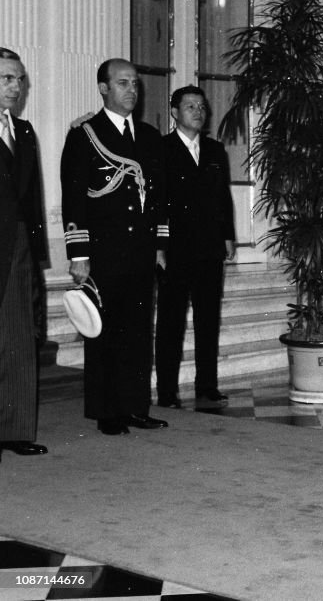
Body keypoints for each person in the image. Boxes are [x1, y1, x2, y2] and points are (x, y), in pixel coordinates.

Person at [60, 58, 169, 435]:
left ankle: (135, 406)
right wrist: (79, 254)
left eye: (135, 84)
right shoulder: (84, 134)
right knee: (104, 331)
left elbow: (159, 197)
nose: (132, 90)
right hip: (103, 250)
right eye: (123, 83)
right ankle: (107, 411)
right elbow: (74, 198)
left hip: (140, 250)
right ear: (103, 89)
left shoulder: (150, 136)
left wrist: (159, 245)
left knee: (138, 330)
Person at [155, 86, 236, 410]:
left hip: (209, 250)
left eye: (201, 106)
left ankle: (207, 386)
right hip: (174, 250)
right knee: (171, 322)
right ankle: (167, 392)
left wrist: (227, 236)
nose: (198, 112)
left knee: (208, 320)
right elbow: (157, 201)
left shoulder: (216, 151)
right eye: (190, 106)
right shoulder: (161, 149)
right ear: (174, 112)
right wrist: (158, 245)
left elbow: (223, 197)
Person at [0, 48, 48, 461]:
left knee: (18, 339)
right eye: (7, 79)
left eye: (18, 79)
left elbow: (32, 198)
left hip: (18, 247)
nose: (16, 87)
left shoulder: (26, 132)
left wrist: (37, 254)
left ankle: (14, 431)